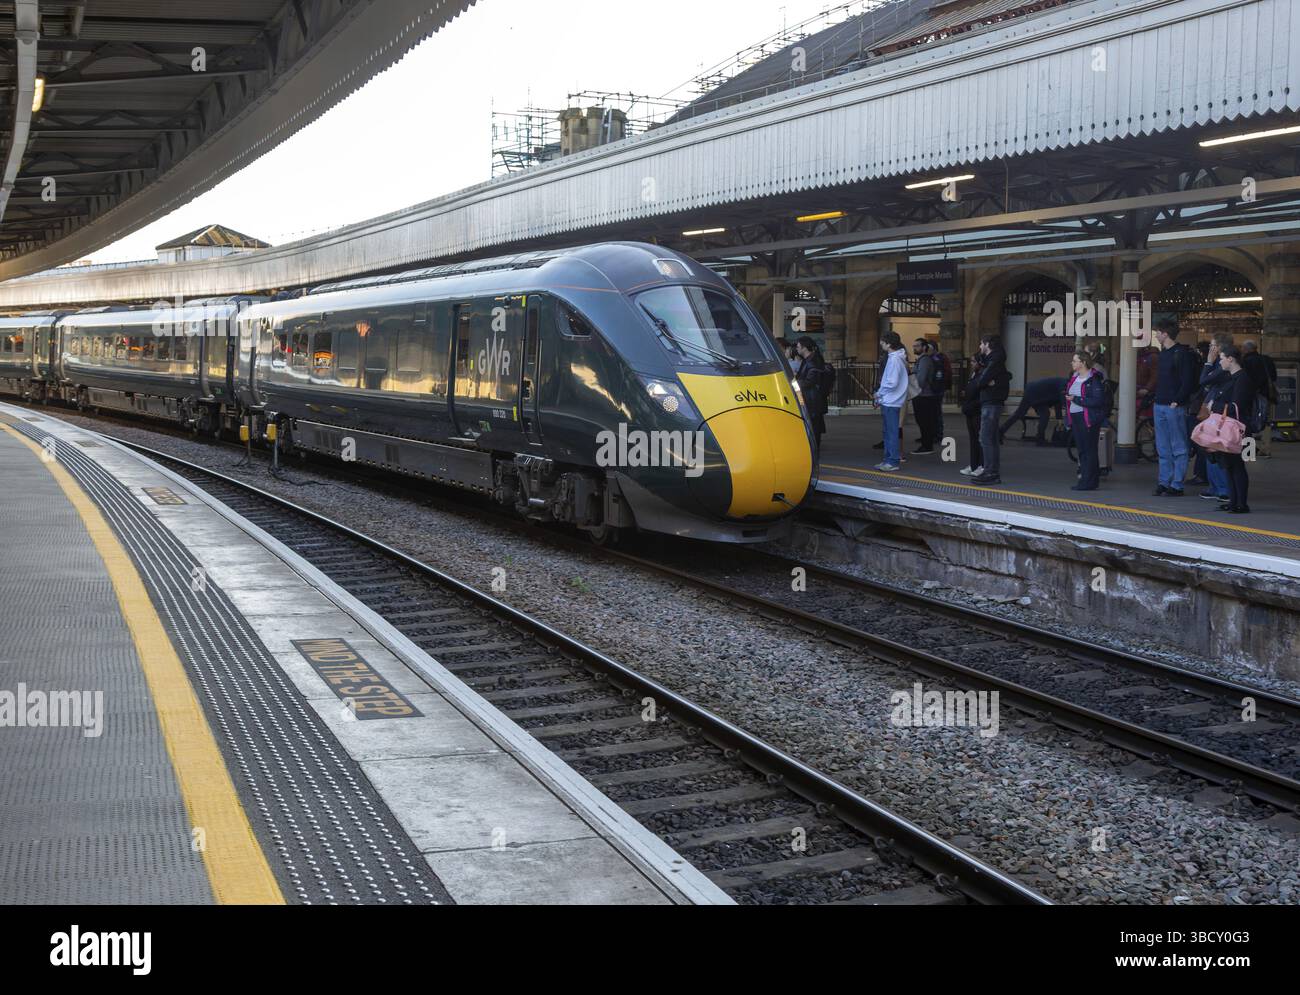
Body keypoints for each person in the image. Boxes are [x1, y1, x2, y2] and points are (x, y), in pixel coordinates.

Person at [1151, 317, 1199, 496]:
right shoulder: (1163, 353)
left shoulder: (1181, 353)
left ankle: (1177, 483)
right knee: (1163, 446)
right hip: (1161, 403)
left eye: (1157, 332)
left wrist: (1177, 400)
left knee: (1178, 445)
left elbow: (1187, 381)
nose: (1155, 335)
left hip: (1173, 405)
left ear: (1165, 334)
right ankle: (1164, 481)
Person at [1211, 344, 1259, 514]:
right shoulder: (1233, 377)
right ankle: (1234, 501)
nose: (1220, 362)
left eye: (1222, 358)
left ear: (1230, 359)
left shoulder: (1242, 379)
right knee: (1229, 465)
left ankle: (1241, 503)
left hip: (1239, 428)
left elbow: (1235, 406)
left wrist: (1214, 405)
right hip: (1232, 428)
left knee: (1237, 465)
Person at [965, 335, 1010, 484]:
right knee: (990, 438)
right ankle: (991, 471)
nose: (979, 347)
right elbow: (986, 380)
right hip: (991, 402)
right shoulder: (993, 360)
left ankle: (990, 472)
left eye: (981, 343)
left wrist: (985, 381)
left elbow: (981, 381)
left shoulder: (994, 361)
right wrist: (986, 381)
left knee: (986, 438)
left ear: (987, 344)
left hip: (990, 403)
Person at [1066, 349, 1108, 491]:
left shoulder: (1093, 379)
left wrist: (1076, 399)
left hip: (1088, 419)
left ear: (1083, 363)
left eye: (1075, 360)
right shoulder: (1074, 377)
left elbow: (1097, 401)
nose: (1072, 363)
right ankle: (1087, 480)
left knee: (1089, 450)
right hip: (1076, 417)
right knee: (1082, 450)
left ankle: (1088, 481)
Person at [873, 331, 909, 471]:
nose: (881, 344)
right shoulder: (897, 357)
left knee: (890, 432)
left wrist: (879, 394)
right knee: (889, 432)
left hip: (891, 400)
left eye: (883, 342)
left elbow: (891, 382)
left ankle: (892, 461)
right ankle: (888, 459)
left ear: (889, 344)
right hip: (891, 400)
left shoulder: (894, 359)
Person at [999, 376, 1067, 444]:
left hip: (1038, 396)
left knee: (1044, 414)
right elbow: (1063, 401)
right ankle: (1000, 432)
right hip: (1033, 392)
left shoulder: (1064, 383)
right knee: (1019, 414)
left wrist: (1060, 419)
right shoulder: (1064, 384)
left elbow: (1058, 403)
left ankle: (1040, 437)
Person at [1241, 339, 1278, 458]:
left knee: (1248, 421)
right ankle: (1266, 448)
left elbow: (1245, 379)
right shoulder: (1266, 359)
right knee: (1266, 421)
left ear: (1247, 349)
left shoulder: (1245, 361)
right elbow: (1274, 376)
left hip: (1251, 396)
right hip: (1266, 395)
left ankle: (1250, 450)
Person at [793, 336, 830, 453]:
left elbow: (810, 382)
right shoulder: (810, 359)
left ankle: (813, 449)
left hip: (812, 398)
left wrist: (793, 382)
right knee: (813, 424)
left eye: (798, 347)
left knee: (813, 424)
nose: (797, 349)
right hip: (810, 397)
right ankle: (812, 448)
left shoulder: (812, 361)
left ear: (804, 348)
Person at [910, 338, 943, 454]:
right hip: (923, 395)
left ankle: (927, 446)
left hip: (924, 395)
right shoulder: (922, 360)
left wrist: (913, 375)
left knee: (924, 421)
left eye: (917, 346)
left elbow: (921, 380)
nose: (914, 348)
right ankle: (926, 444)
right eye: (914, 346)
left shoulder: (924, 361)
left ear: (924, 347)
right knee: (924, 421)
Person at [959, 349, 988, 476]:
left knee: (979, 439)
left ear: (980, 363)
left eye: (973, 361)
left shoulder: (982, 375)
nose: (971, 363)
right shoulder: (974, 374)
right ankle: (974, 464)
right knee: (973, 439)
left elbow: (980, 393)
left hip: (976, 410)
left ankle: (981, 465)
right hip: (970, 410)